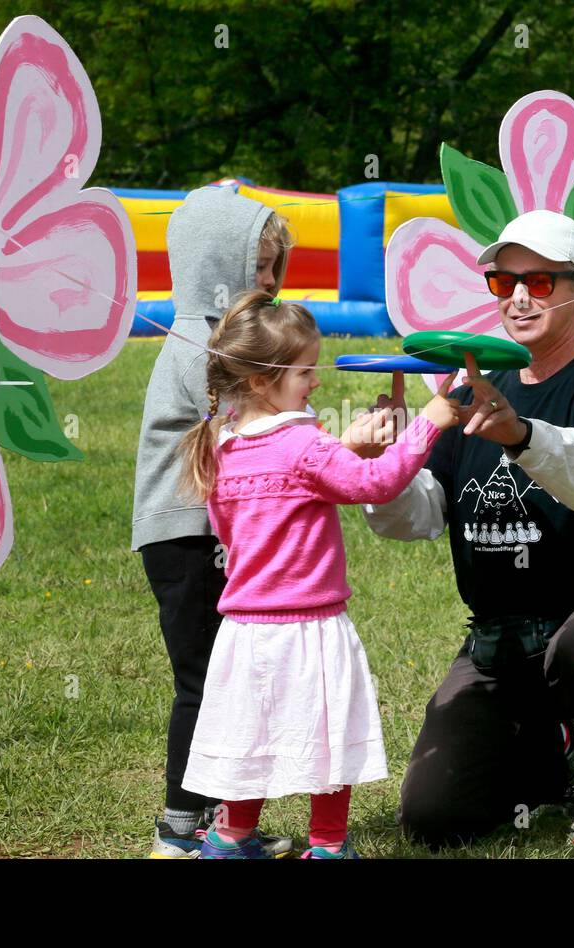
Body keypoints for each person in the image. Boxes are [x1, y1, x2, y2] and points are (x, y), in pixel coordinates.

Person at [361, 208, 574, 848]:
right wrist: (385, 470)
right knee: (434, 820)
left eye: (539, 281)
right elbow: (423, 514)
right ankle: (552, 756)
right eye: (503, 283)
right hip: (499, 644)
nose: (518, 297)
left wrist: (523, 435)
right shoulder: (468, 392)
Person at [175, 290, 461, 858]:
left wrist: (346, 443)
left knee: (245, 739)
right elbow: (375, 485)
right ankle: (328, 846)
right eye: (306, 371)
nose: (317, 382)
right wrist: (428, 424)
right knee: (326, 736)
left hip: (244, 631)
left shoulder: (223, 447)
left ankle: (230, 838)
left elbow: (286, 487)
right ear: (262, 381)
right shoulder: (304, 445)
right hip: (309, 624)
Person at [131, 186, 296, 858]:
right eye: (256, 263)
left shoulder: (219, 338)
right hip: (188, 536)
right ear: (213, 261)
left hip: (205, 532)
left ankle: (228, 825)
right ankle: (180, 828)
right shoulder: (204, 341)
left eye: (273, 265)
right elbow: (257, 425)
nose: (267, 279)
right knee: (204, 679)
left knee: (226, 679)